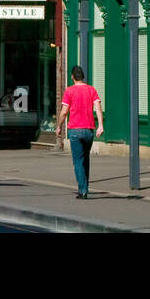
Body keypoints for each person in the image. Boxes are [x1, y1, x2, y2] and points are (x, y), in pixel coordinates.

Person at [56, 65, 104, 199]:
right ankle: (85, 187)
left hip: (75, 130)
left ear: (72, 77)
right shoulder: (91, 90)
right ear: (82, 76)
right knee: (85, 159)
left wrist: (59, 126)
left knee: (78, 161)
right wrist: (100, 125)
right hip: (88, 130)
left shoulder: (69, 91)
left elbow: (64, 111)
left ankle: (82, 190)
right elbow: (98, 107)